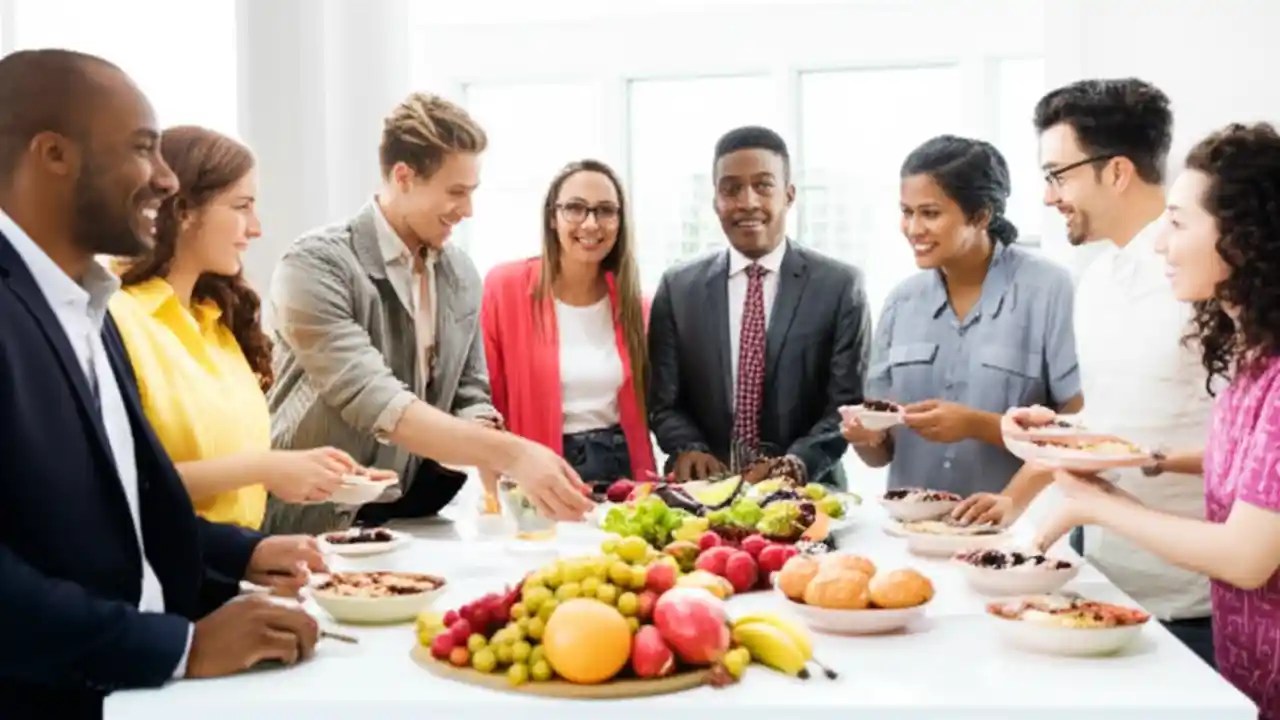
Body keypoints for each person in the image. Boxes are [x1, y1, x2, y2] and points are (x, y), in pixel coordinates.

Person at [0, 49, 325, 717]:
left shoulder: (83, 306)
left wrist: (245, 552)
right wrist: (178, 647)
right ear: (53, 154)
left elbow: (114, 515)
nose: (167, 179)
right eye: (144, 148)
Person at [954, 78, 1216, 665]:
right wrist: (1048, 437)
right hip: (1097, 580)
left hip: (1195, 599)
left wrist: (1136, 457)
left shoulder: (1207, 282)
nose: (1048, 197)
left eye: (1057, 175)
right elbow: (1109, 421)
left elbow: (1253, 445)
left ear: (1117, 171)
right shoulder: (1095, 280)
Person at [1034, 122, 1280, 719]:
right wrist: (1139, 459)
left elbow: (1248, 556)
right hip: (1246, 675)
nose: (1160, 245)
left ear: (1244, 239)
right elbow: (1259, 479)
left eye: (1178, 222)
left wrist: (1097, 504)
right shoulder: (1254, 360)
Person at [263, 92, 592, 535]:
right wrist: (511, 453)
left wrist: (482, 428)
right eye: (455, 192)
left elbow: (469, 389)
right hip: (306, 521)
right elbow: (375, 400)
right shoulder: (314, 266)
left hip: (408, 519)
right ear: (403, 177)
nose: (468, 210)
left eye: (472, 193)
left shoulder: (459, 274)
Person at [109, 126, 374, 530]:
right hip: (164, 580)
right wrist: (266, 467)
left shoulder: (217, 323)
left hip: (234, 570)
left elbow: (230, 473)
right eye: (241, 206)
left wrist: (308, 475)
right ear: (183, 211)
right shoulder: (116, 320)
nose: (256, 228)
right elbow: (121, 486)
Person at [840, 135, 1081, 496]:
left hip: (1016, 535)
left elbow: (1078, 431)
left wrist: (979, 425)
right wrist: (865, 438)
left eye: (930, 213)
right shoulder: (900, 303)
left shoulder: (1049, 290)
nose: (914, 229)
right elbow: (881, 456)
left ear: (981, 215)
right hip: (914, 531)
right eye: (907, 212)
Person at [648, 126, 873, 488]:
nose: (747, 202)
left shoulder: (840, 286)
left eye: (763, 185)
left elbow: (846, 406)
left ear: (788, 194)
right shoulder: (678, 288)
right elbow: (663, 402)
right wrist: (687, 447)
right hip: (703, 496)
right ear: (715, 200)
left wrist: (797, 463)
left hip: (809, 495)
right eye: (731, 188)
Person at [481, 159, 656, 493]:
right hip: (540, 466)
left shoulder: (638, 307)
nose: (591, 224)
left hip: (622, 471)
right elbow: (486, 395)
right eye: (575, 208)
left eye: (605, 210)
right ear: (552, 216)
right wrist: (493, 479)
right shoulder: (505, 288)